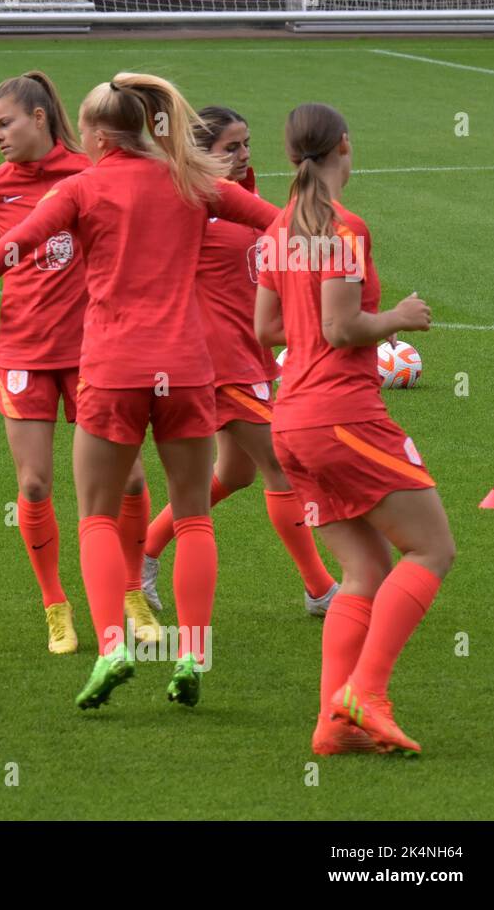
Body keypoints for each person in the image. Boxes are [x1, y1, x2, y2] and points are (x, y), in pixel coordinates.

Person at [0, 73, 279, 710]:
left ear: (90, 131)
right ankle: (192, 652)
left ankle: (113, 645)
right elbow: (278, 225)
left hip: (111, 369)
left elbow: (13, 247)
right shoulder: (194, 182)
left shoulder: (81, 186)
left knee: (94, 514)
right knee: (194, 514)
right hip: (189, 370)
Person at [255, 103, 453, 756]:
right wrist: (397, 317)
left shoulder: (280, 229)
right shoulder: (342, 228)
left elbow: (267, 329)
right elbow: (343, 328)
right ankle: (365, 694)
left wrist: (318, 326)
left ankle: (333, 727)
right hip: (341, 416)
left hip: (292, 423)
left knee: (366, 566)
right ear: (345, 144)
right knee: (431, 550)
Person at [0, 71, 154, 654]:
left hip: (95, 353)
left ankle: (133, 592)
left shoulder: (91, 173)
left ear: (38, 119)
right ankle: (56, 605)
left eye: (4, 124)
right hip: (23, 351)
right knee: (33, 486)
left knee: (129, 478)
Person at [141, 106, 340, 617]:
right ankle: (319, 590)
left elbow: (282, 254)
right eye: (231, 148)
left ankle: (143, 552)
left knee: (236, 474)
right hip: (217, 361)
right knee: (281, 465)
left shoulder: (246, 200)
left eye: (247, 143)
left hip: (249, 356)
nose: (244, 153)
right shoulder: (190, 208)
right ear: (200, 155)